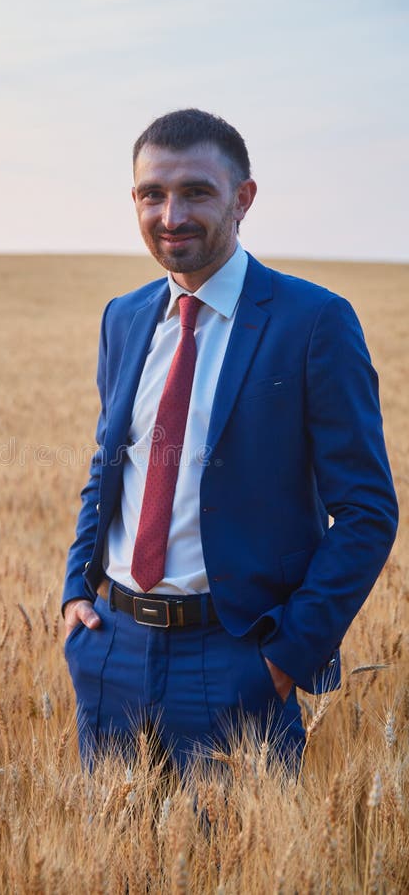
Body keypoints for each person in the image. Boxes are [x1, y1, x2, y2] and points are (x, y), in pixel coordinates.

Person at [61, 108, 398, 773]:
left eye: (196, 192)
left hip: (235, 655)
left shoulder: (313, 322)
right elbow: (111, 465)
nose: (170, 214)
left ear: (243, 198)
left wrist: (286, 658)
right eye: (151, 194)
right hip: (113, 650)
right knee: (116, 866)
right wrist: (78, 588)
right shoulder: (125, 318)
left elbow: (366, 510)